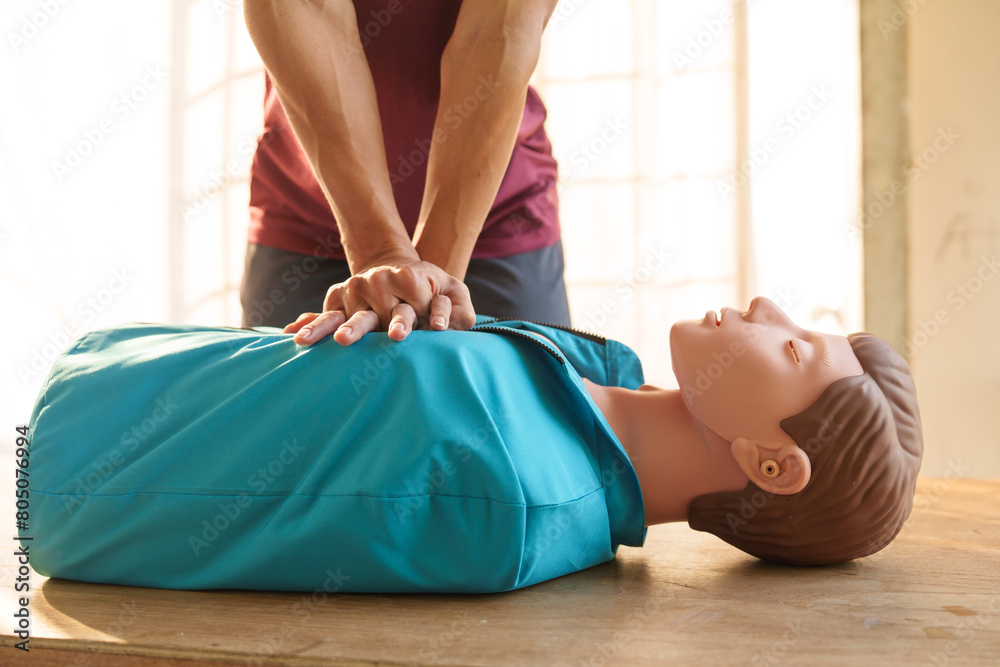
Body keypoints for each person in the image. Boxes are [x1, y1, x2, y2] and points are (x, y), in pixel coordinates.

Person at [21, 298, 921, 593]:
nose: (767, 309)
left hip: (60, 463)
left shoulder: (509, 499)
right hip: (110, 364)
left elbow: (248, 513)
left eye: (796, 348)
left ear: (772, 463)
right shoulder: (588, 366)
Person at [239, 0, 569, 348]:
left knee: (531, 400)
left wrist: (428, 287)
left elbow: (494, 31)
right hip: (307, 219)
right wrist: (379, 253)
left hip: (498, 220)